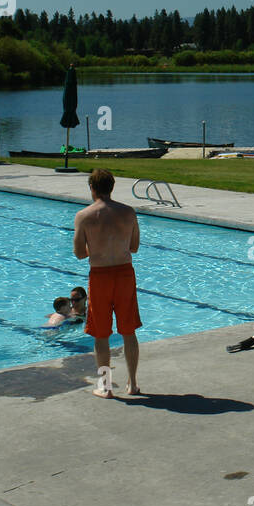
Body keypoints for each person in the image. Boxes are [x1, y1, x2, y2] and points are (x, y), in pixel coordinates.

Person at [74, 168, 143, 397]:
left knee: (101, 334)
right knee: (128, 330)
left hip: (100, 275)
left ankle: (105, 386)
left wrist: (96, 246)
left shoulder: (84, 216)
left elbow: (79, 254)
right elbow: (134, 247)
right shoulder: (128, 213)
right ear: (112, 187)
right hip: (124, 274)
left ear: (92, 188)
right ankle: (132, 384)